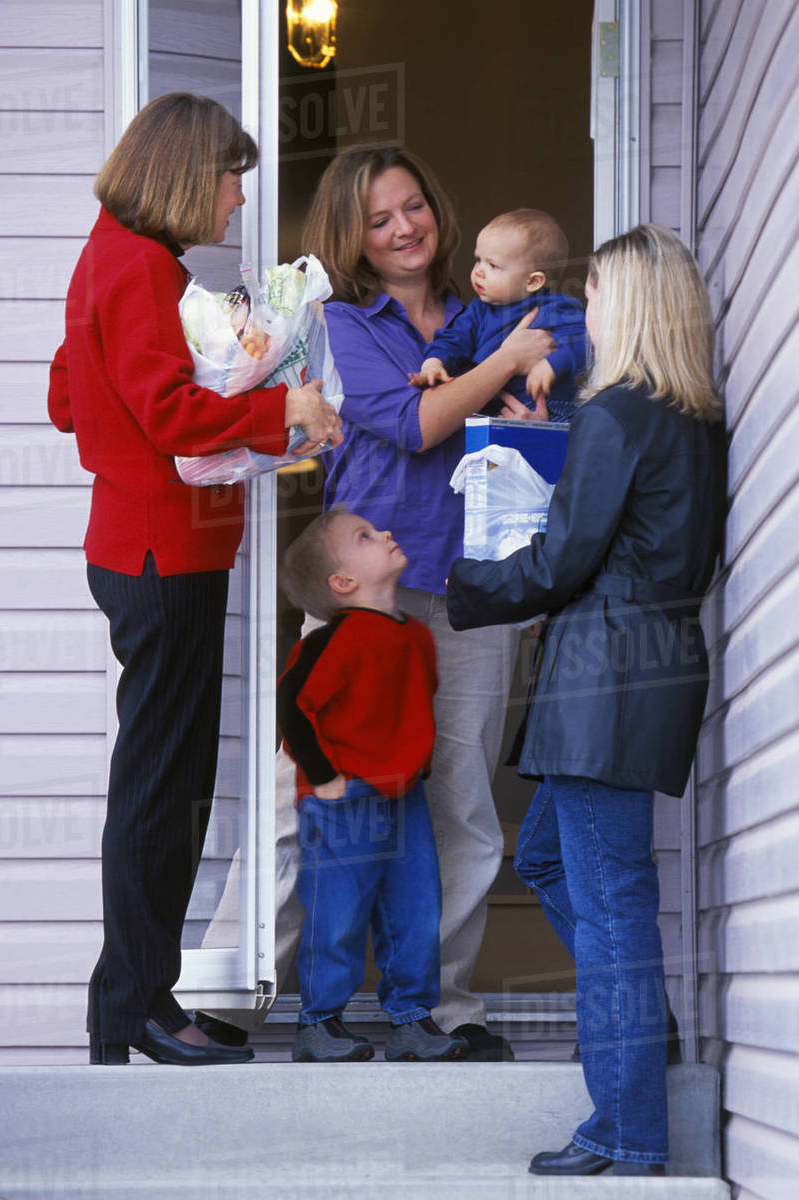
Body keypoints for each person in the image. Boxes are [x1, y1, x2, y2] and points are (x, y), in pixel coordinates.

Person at [47, 92, 342, 1067]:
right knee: (160, 792)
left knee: (166, 784)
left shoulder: (115, 259)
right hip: (157, 554)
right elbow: (167, 417)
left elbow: (65, 395)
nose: (236, 201)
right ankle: (135, 1009)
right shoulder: (136, 265)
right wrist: (280, 407)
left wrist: (214, 367)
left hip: (145, 549)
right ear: (185, 175)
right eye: (230, 179)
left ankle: (139, 1000)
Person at [446, 224, 726, 1174]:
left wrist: (470, 584)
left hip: (604, 677)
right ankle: (640, 1029)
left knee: (610, 908)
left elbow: (564, 560)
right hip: (647, 668)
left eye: (597, 293)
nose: (585, 309)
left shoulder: (615, 415)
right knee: (553, 864)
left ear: (634, 309)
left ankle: (624, 1131)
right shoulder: (692, 420)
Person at [301, 144, 555, 1060]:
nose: (405, 227)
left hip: (474, 590)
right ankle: (292, 998)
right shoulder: (341, 323)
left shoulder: (483, 315)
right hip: (367, 599)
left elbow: (509, 429)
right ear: (352, 237)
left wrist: (528, 399)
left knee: (461, 807)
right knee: (333, 800)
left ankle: (440, 1009)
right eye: (379, 218)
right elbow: (413, 425)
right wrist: (511, 357)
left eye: (414, 206)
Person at [277, 508, 468, 1063]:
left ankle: (411, 1019)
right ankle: (318, 1023)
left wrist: (414, 770)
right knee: (337, 913)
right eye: (363, 537)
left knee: (415, 910)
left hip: (403, 796)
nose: (386, 533)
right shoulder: (335, 640)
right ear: (343, 583)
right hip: (346, 797)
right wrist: (323, 777)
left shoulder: (417, 637)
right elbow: (293, 706)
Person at [418, 209, 586, 422]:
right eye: (478, 260)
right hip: (491, 409)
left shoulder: (556, 308)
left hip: (550, 407)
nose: (478, 271)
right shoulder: (478, 311)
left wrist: (552, 364)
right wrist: (434, 361)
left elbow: (584, 343)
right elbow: (453, 339)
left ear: (533, 282)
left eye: (493, 265)